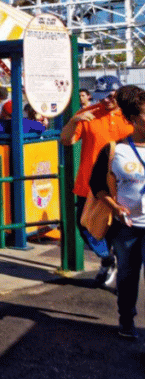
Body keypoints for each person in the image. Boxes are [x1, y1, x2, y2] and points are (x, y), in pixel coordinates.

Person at [88, 84, 145, 339]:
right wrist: (115, 206)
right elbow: (97, 184)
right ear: (134, 118)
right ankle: (126, 319)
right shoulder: (115, 149)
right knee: (128, 275)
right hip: (127, 227)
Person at [61, 89, 130, 286]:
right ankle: (107, 259)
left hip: (122, 184)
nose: (108, 99)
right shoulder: (88, 113)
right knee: (85, 224)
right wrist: (75, 121)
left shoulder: (130, 115)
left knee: (119, 230)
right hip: (90, 183)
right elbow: (66, 140)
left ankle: (119, 273)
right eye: (105, 95)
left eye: (113, 96)